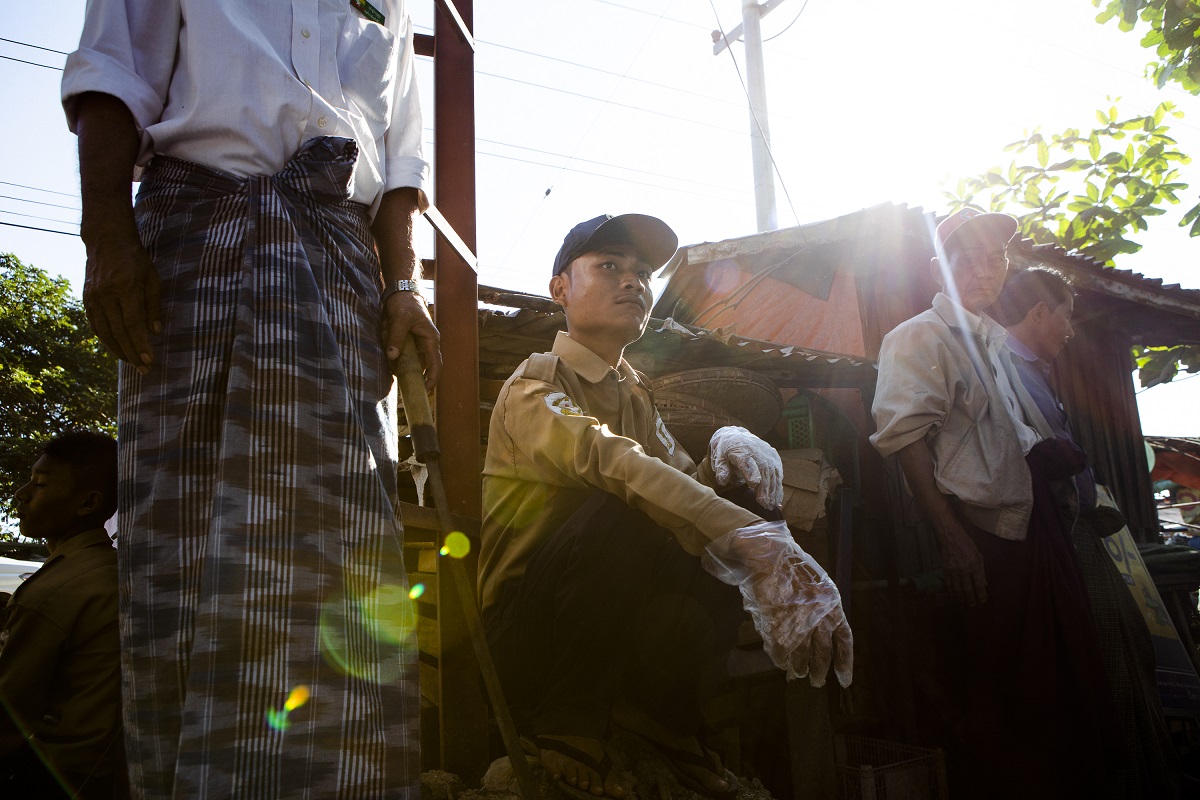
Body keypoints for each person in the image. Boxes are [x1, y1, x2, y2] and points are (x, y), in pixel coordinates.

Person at [61, 2, 437, 796]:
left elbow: (401, 158)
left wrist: (404, 282)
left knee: (341, 545)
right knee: (184, 530)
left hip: (339, 261)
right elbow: (113, 75)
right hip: (193, 243)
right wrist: (107, 237)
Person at [480, 214, 853, 800]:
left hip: (606, 627)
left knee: (726, 495)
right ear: (561, 289)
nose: (633, 283)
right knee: (632, 500)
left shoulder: (634, 393)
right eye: (609, 267)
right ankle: (565, 721)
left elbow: (686, 483)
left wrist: (728, 457)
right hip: (527, 639)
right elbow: (614, 464)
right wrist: (750, 537)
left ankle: (665, 718)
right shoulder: (535, 383)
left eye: (642, 273)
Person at [870, 208, 1120, 799]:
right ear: (939, 269)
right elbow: (904, 439)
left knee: (1062, 692)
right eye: (967, 259)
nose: (983, 269)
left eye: (993, 258)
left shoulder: (995, 343)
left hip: (1034, 529)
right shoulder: (918, 338)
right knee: (1010, 696)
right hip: (985, 537)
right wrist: (950, 536)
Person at [995, 268, 1181, 799]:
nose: (1070, 330)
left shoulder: (1035, 372)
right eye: (1066, 316)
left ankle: (1150, 772)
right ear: (1038, 313)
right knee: (1107, 656)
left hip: (1082, 527)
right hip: (1058, 538)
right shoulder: (1006, 369)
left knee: (1130, 643)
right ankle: (1130, 780)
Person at [0, 431, 126, 799]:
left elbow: (9, 717)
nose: (21, 494)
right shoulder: (109, 568)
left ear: (87, 503)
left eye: (39, 484)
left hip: (55, 777)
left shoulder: (48, 592)